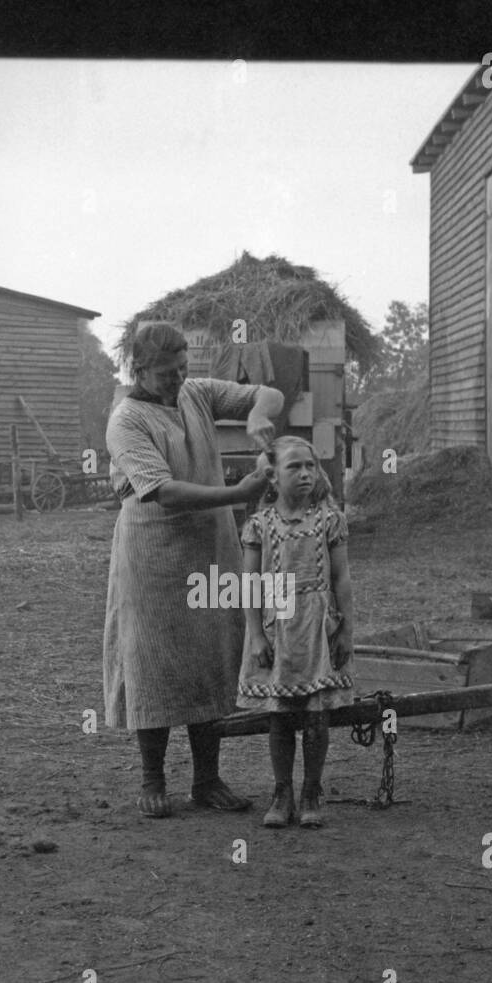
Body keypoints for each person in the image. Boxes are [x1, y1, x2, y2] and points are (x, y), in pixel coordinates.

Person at [103, 322, 283, 816]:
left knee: (212, 655)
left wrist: (256, 419)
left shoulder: (198, 393)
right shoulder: (126, 421)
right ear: (138, 369)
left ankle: (208, 780)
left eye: (182, 368)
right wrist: (239, 494)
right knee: (154, 657)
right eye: (165, 373)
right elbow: (163, 491)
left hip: (211, 545)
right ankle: (152, 778)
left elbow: (269, 393)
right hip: (154, 552)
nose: (176, 379)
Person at [236, 436, 354, 828]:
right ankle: (282, 791)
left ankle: (311, 791)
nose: (305, 473)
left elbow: (342, 577)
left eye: (310, 466)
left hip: (318, 627)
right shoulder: (260, 526)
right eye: (293, 467)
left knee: (317, 714)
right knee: (281, 714)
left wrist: (345, 631)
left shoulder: (328, 521)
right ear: (272, 477)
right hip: (278, 628)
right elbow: (250, 584)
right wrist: (255, 635)